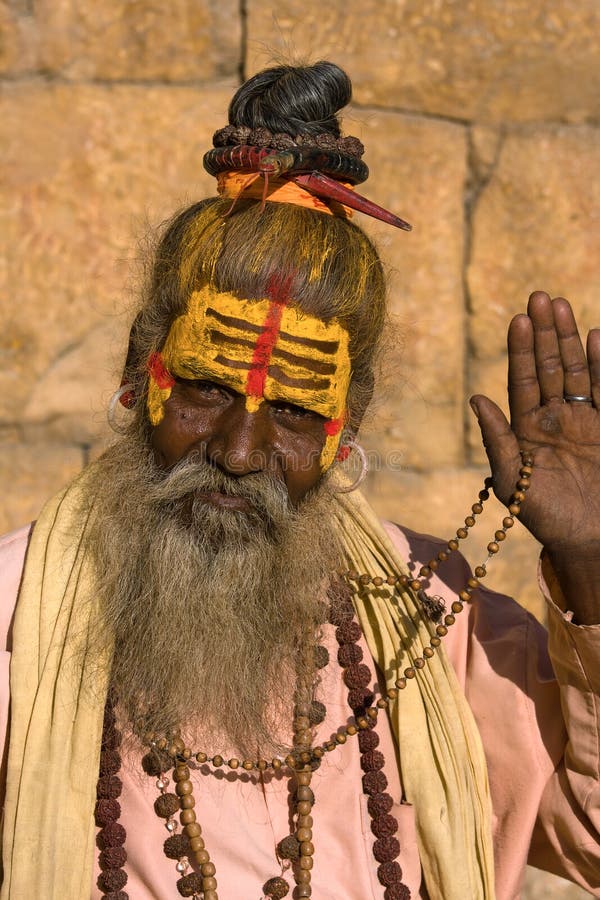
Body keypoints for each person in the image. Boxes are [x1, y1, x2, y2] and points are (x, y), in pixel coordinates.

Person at [0, 61, 598, 900]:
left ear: (345, 424)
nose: (241, 452)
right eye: (208, 388)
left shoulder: (427, 618)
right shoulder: (18, 613)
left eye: (292, 411)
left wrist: (592, 567)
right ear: (144, 369)